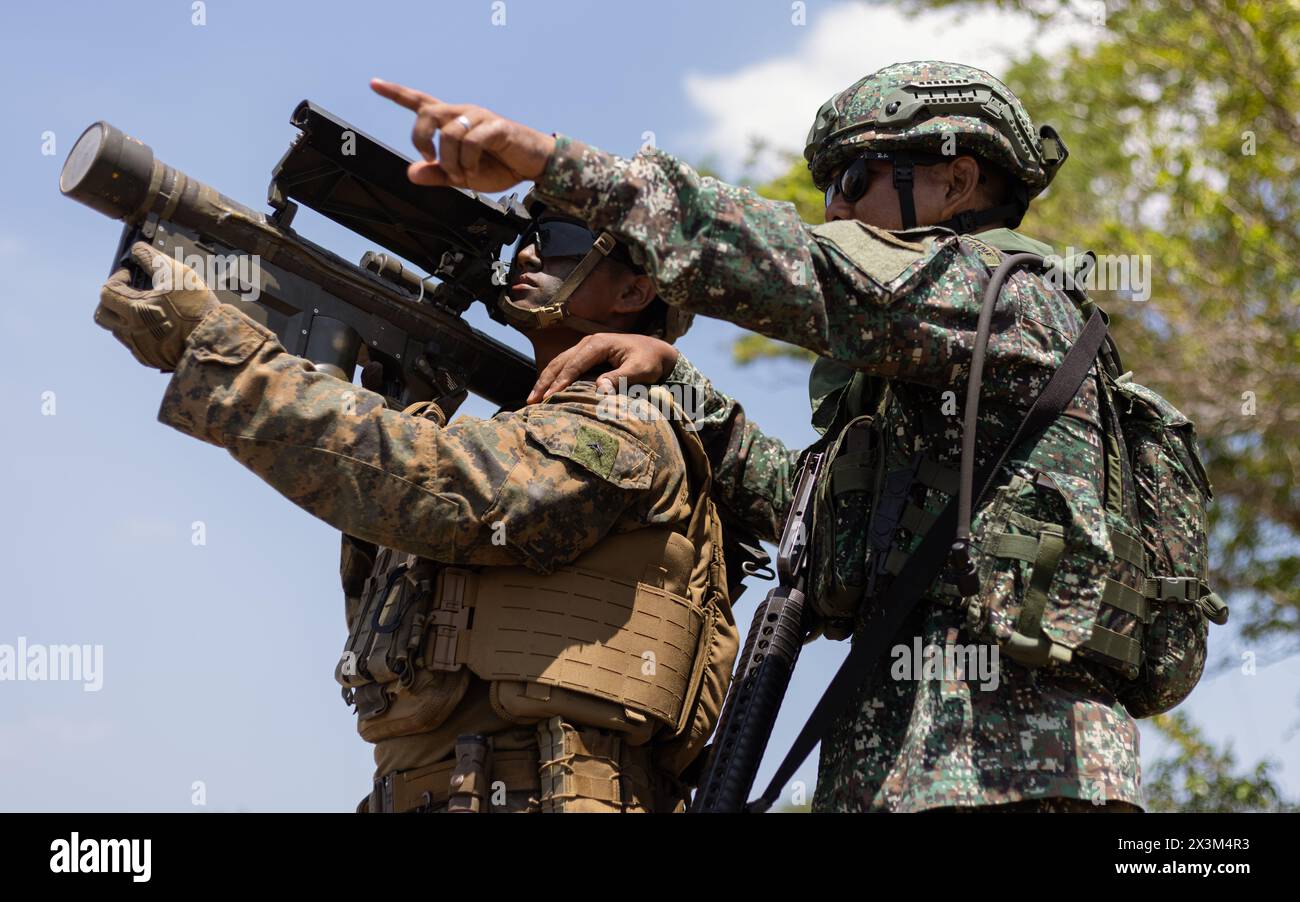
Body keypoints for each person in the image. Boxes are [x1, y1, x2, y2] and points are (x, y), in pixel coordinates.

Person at [366, 61, 1152, 812]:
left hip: (1010, 778)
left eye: (855, 180)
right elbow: (812, 522)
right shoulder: (936, 368)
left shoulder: (1000, 299)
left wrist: (555, 166)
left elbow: (791, 264)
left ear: (955, 180)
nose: (836, 212)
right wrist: (675, 381)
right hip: (924, 774)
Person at [92, 199, 737, 813]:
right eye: (524, 237)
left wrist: (224, 357)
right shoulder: (521, 430)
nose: (527, 253)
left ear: (634, 292)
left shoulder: (629, 424)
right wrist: (400, 401)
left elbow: (448, 492)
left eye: (560, 239)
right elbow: (389, 610)